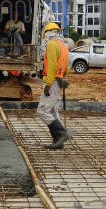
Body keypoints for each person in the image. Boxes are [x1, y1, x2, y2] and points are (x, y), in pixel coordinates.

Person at [38, 21, 70, 149]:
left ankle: (61, 133)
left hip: (52, 82)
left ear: (47, 33)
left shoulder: (51, 44)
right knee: (53, 111)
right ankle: (58, 141)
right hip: (60, 80)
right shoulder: (63, 45)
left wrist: (47, 85)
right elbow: (66, 66)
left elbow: (51, 66)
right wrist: (64, 78)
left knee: (42, 110)